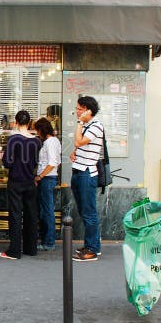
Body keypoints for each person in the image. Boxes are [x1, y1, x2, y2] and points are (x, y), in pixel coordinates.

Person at [0, 110, 41, 260]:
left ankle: (14, 250)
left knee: (15, 215)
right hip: (30, 181)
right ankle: (31, 248)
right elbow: (36, 161)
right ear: (29, 122)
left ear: (16, 122)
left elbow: (7, 162)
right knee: (31, 215)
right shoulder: (36, 141)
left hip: (16, 181)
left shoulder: (13, 139)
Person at [70, 96, 104, 262]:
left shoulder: (96, 126)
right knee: (84, 211)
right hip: (78, 171)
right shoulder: (87, 125)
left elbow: (78, 141)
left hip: (87, 173)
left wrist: (79, 123)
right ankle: (90, 244)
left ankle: (92, 248)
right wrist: (76, 153)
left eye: (79, 109)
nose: (77, 112)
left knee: (89, 212)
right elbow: (80, 146)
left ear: (88, 110)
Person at [34, 117, 61, 251]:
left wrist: (40, 176)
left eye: (38, 130)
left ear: (42, 130)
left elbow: (52, 163)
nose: (37, 133)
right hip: (50, 178)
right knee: (47, 210)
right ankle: (47, 240)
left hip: (47, 179)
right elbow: (58, 162)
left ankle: (49, 242)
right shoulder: (55, 141)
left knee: (47, 211)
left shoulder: (49, 142)